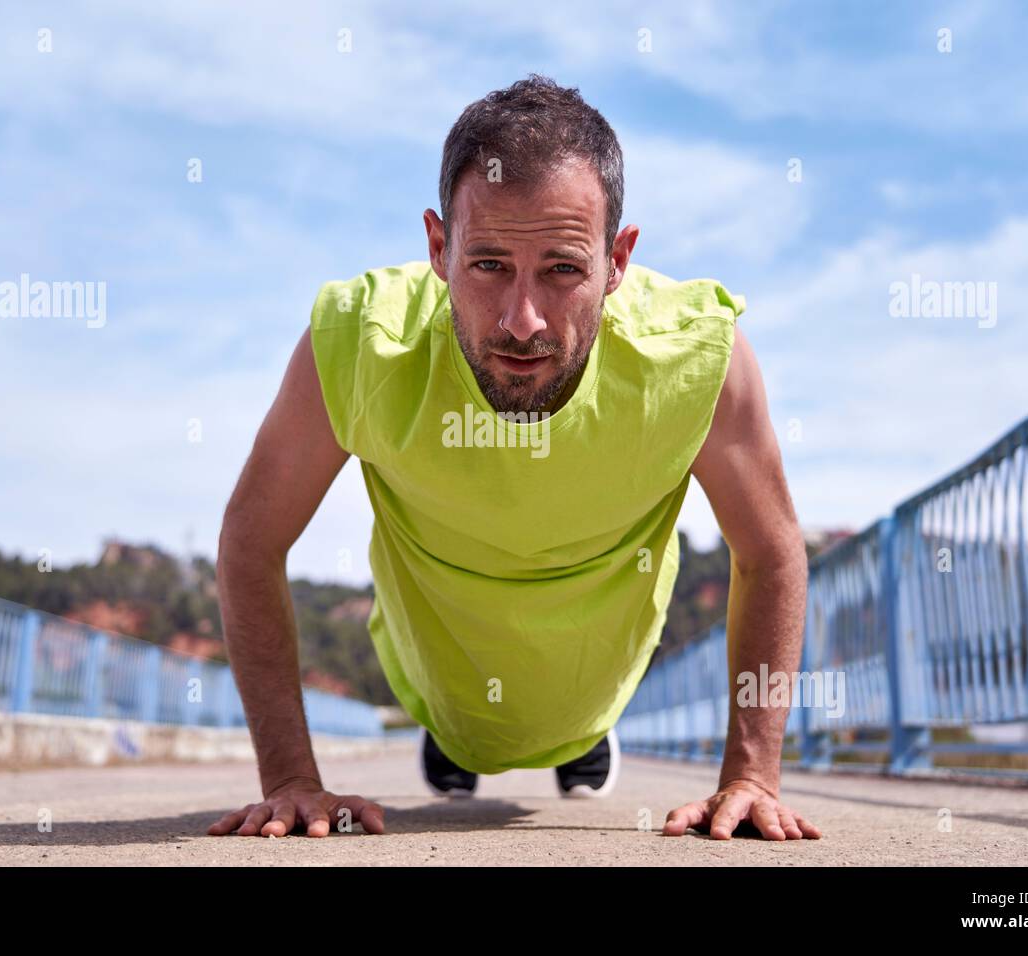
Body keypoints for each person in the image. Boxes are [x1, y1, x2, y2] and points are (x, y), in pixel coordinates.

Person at [208, 74, 821, 842]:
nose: (522, 321)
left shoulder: (696, 359)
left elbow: (771, 554)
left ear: (618, 261)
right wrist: (291, 779)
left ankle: (581, 739)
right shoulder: (360, 343)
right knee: (462, 731)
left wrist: (751, 775)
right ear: (438, 247)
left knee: (570, 722)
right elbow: (249, 541)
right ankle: (458, 742)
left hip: (596, 678)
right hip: (438, 675)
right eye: (488, 265)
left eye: (563, 270)